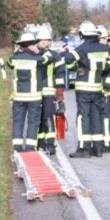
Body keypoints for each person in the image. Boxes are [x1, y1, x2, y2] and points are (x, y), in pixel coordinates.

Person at [63, 20, 110, 158]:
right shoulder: (104, 48)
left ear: (82, 34)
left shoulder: (82, 48)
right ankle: (97, 149)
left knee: (83, 118)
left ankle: (84, 149)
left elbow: (68, 59)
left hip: (84, 89)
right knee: (96, 117)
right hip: (97, 88)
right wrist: (103, 68)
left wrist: (80, 65)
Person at [7, 31, 51, 152]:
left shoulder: (13, 59)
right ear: (32, 45)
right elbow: (48, 59)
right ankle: (30, 147)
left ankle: (17, 147)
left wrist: (18, 51)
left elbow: (9, 62)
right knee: (33, 122)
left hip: (19, 97)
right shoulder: (37, 59)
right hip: (34, 97)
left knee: (18, 121)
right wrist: (39, 51)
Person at [35, 26, 66, 154]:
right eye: (41, 40)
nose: (44, 42)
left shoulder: (55, 56)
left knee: (49, 117)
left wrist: (59, 93)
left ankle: (51, 144)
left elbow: (60, 74)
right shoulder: (33, 56)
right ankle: (40, 144)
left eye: (46, 40)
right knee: (38, 119)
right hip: (35, 93)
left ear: (49, 41)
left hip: (48, 92)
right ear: (37, 41)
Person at [97, 25, 110, 153]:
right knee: (99, 117)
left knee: (104, 117)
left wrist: (105, 89)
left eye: (101, 39)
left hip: (106, 91)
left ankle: (106, 143)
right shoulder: (100, 52)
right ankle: (101, 143)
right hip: (98, 90)